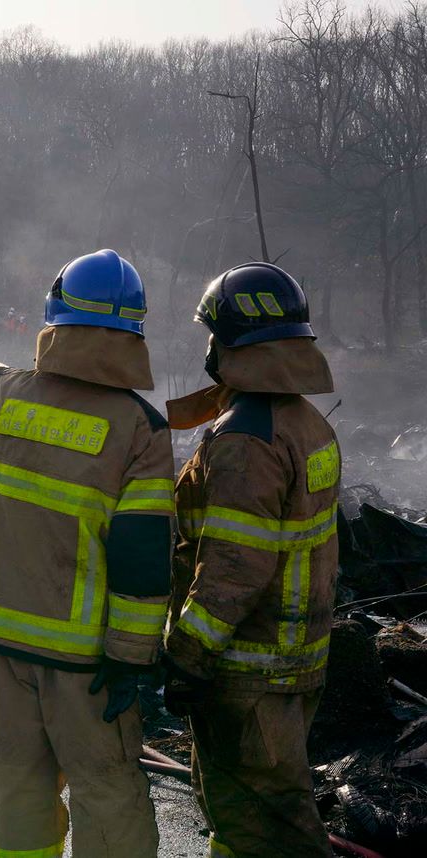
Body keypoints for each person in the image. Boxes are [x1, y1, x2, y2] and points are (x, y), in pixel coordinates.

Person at [0, 248, 174, 858]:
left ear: (55, 320)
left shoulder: (4, 396)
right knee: (107, 791)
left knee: (21, 788)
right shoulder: (141, 430)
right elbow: (142, 552)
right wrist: (133, 657)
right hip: (83, 660)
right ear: (134, 328)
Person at [163, 262, 339, 858]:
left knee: (270, 825)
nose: (208, 347)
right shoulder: (305, 422)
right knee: (241, 821)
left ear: (232, 342)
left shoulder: (245, 442)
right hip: (294, 659)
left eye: (213, 334)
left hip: (246, 667)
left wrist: (187, 655)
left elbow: (233, 570)